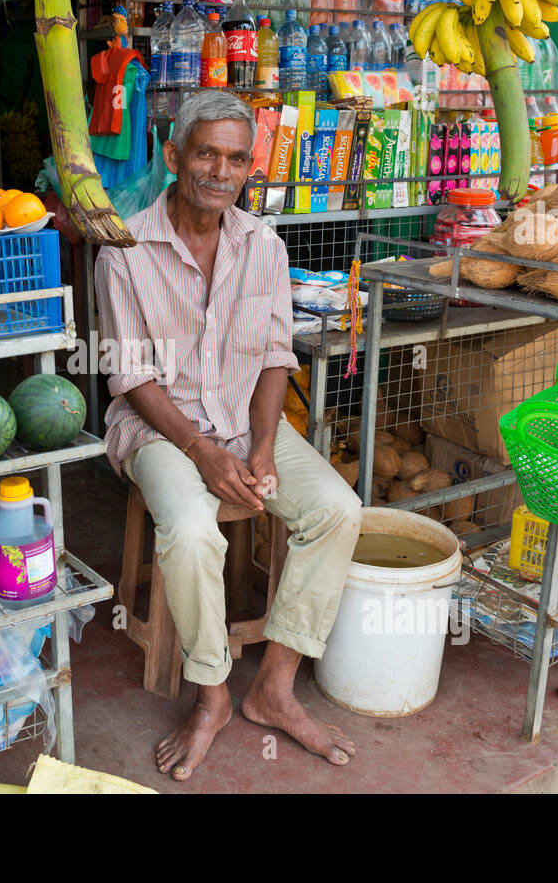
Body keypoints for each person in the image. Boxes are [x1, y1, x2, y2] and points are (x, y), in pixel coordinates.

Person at [95, 89, 363, 781]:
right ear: (173, 155)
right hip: (158, 428)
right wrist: (203, 451)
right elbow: (133, 379)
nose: (220, 170)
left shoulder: (264, 247)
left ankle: (274, 685)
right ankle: (212, 691)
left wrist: (263, 448)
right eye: (206, 153)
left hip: (245, 421)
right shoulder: (123, 250)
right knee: (188, 528)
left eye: (237, 158)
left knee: (337, 509)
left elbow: (276, 356)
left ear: (251, 167)